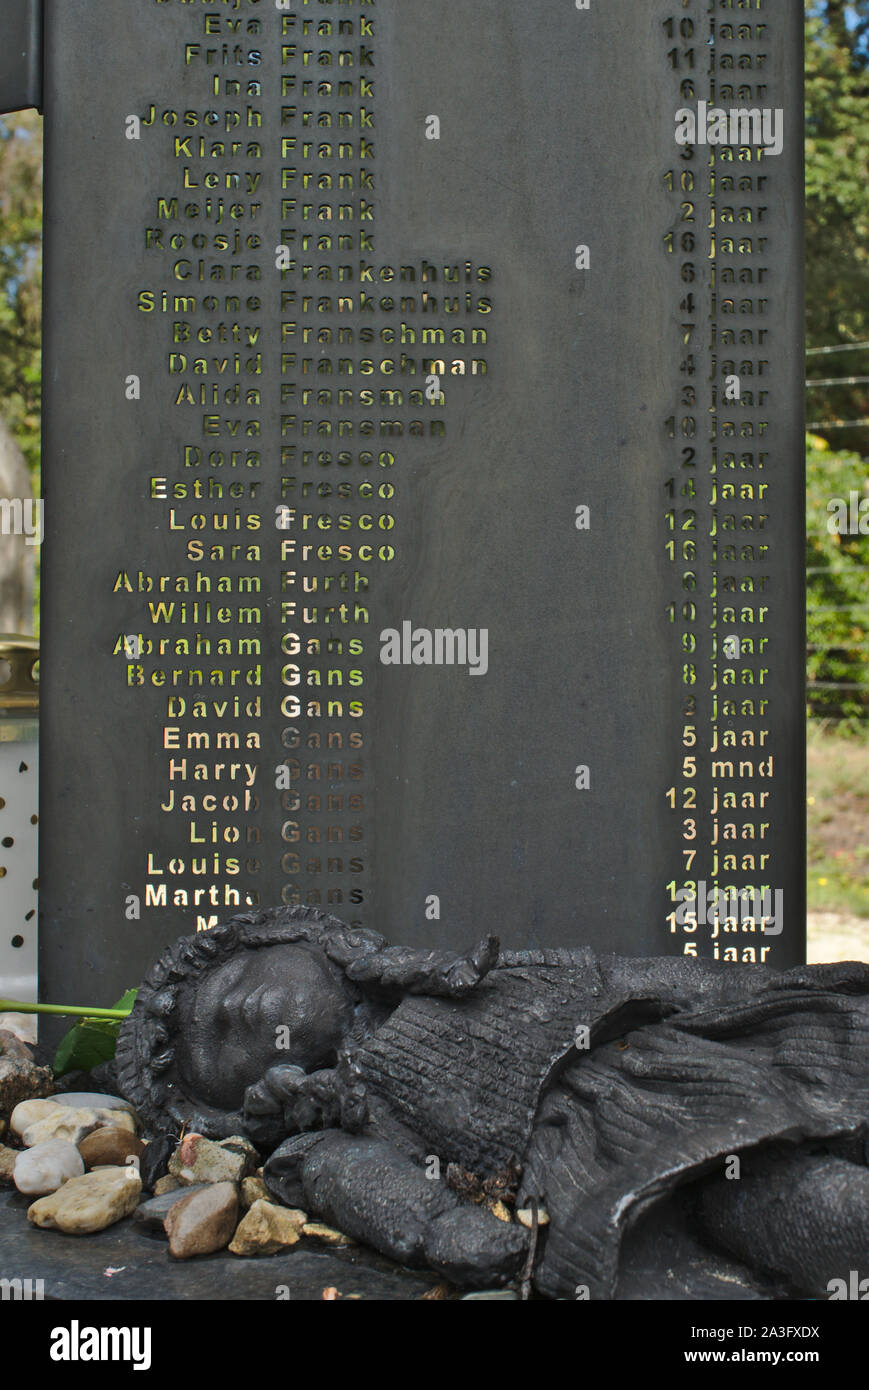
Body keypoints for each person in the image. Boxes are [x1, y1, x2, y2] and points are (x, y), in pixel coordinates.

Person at [116, 906, 869, 1299]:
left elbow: (629, 978)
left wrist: (761, 991)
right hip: (609, 1162)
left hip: (695, 1059)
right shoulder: (323, 1139)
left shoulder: (466, 975)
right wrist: (456, 1237)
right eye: (212, 1041)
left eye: (239, 981)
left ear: (312, 943)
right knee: (783, 1201)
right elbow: (376, 1193)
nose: (237, 1012)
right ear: (239, 1102)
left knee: (835, 1069)